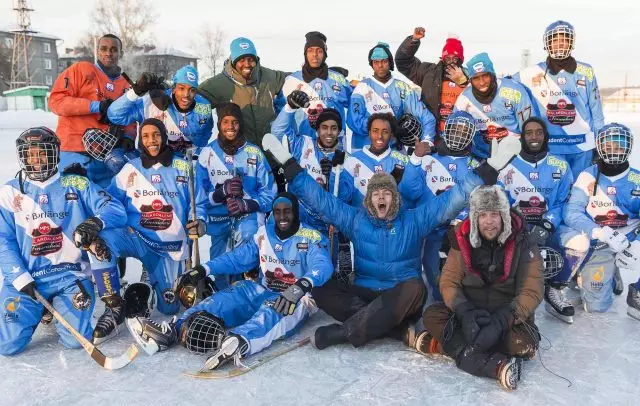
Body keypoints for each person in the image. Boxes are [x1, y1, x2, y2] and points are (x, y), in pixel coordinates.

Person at [260, 127, 522, 351]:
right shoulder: (355, 219)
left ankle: (344, 333)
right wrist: (292, 169)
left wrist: (487, 170)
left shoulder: (414, 219)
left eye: (387, 193)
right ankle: (396, 331)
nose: (382, 198)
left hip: (401, 298)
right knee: (323, 288)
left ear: (395, 198)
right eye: (376, 194)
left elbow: (452, 200)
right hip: (366, 295)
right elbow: (321, 201)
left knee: (415, 288)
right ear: (369, 199)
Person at [126, 193, 333, 370]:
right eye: (277, 212)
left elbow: (323, 266)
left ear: (295, 212)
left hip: (295, 298)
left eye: (287, 211)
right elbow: (237, 258)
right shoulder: (264, 235)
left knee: (270, 314)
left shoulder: (311, 237)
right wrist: (203, 269)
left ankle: (240, 342)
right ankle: (170, 331)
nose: (282, 217)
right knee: (219, 301)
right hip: (261, 288)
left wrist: (299, 287)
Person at [0, 127, 126, 355]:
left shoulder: (76, 183)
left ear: (55, 153)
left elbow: (115, 208)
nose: (36, 160)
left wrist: (95, 223)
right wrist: (18, 276)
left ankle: (53, 306)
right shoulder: (9, 192)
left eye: (42, 153)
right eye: (30, 154)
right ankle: (39, 309)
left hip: (69, 276)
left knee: (76, 341)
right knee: (7, 346)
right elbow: (2, 240)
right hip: (28, 279)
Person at [87, 119, 208, 342]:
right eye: (145, 136)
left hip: (168, 247)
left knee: (169, 307)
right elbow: (111, 203)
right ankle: (113, 305)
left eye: (156, 135)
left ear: (163, 136)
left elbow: (198, 204)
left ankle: (143, 288)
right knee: (99, 241)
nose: (151, 140)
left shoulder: (184, 167)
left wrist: (200, 222)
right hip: (135, 237)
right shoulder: (130, 169)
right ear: (139, 140)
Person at [415, 185, 543, 390]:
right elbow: (449, 281)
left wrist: (502, 321)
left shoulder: (524, 240)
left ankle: (448, 347)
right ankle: (492, 363)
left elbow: (532, 289)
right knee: (432, 315)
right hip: (471, 312)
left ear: (504, 216)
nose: (489, 221)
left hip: (507, 315)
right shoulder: (461, 238)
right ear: (475, 218)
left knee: (524, 343)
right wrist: (464, 312)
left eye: (495, 214)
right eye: (483, 215)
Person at [496, 117, 573, 322]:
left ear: (545, 135)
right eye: (529, 133)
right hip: (517, 224)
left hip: (549, 224)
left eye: (538, 132)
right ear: (522, 136)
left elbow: (565, 201)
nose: (534, 136)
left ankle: (555, 288)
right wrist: (516, 223)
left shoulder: (561, 166)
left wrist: (548, 223)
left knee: (576, 242)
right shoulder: (508, 165)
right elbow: (500, 200)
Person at [558, 123, 640, 316]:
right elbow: (572, 212)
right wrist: (598, 231)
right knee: (596, 307)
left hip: (628, 238)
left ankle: (638, 290)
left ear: (628, 147)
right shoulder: (587, 175)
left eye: (618, 146)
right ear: (600, 147)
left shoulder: (637, 179)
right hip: (600, 242)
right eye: (608, 146)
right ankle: (604, 272)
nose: (613, 151)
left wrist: (637, 242)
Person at [196, 103, 276, 287]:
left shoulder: (254, 153)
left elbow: (270, 195)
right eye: (225, 122)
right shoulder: (207, 153)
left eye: (235, 122)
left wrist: (247, 205)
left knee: (246, 247)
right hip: (218, 220)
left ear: (241, 124)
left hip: (248, 219)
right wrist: (219, 194)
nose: (230, 127)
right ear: (219, 124)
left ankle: (251, 282)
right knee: (220, 269)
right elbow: (198, 199)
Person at [513, 21, 604, 178]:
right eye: (555, 40)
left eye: (564, 39)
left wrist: (600, 144)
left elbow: (596, 110)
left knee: (579, 192)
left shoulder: (586, 70)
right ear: (547, 43)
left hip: (582, 147)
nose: (560, 44)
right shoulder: (532, 72)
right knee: (554, 194)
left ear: (571, 42)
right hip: (550, 147)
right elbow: (501, 85)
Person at [406, 111, 477, 300]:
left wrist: (461, 223)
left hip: (458, 232)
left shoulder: (475, 166)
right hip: (427, 228)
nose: (458, 135)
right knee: (425, 269)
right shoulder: (428, 159)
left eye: (464, 131)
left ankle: (448, 304)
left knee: (452, 275)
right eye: (455, 129)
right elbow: (408, 190)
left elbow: (482, 201)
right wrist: (415, 160)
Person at [48, 34, 135, 188]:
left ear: (120, 53)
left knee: (106, 204)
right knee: (74, 203)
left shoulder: (126, 84)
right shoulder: (81, 69)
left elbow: (130, 117)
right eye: (104, 49)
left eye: (114, 49)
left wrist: (128, 135)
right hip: (74, 151)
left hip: (107, 158)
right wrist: (96, 106)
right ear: (97, 51)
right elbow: (56, 102)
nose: (109, 53)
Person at [197, 37, 289, 148]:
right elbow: (191, 99)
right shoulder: (218, 84)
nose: (247, 64)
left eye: (250, 60)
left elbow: (296, 80)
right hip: (239, 154)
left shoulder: (269, 77)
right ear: (234, 61)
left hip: (271, 152)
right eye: (241, 60)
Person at [347, 41, 435, 150]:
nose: (380, 65)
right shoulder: (362, 88)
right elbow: (354, 121)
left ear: (390, 62)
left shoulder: (402, 87)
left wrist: (427, 141)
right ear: (371, 64)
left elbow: (426, 116)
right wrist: (389, 127)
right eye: (376, 62)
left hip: (393, 151)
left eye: (384, 61)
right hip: (364, 151)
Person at [108, 65, 214, 155]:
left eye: (192, 90)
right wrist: (135, 93)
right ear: (173, 88)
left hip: (185, 167)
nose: (186, 95)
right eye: (181, 88)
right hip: (154, 165)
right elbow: (114, 115)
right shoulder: (151, 102)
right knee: (116, 159)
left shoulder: (204, 107)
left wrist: (197, 155)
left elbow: (206, 132)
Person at [454, 53, 534, 159]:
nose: (481, 82)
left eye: (485, 76)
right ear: (471, 80)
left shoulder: (514, 90)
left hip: (514, 153)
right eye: (476, 78)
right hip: (481, 155)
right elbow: (455, 128)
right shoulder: (465, 97)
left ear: (492, 74)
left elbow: (530, 125)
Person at [278, 32, 352, 145]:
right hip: (302, 146)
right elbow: (281, 112)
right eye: (310, 50)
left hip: (335, 146)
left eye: (319, 51)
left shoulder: (339, 79)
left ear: (325, 54)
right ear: (305, 53)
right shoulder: (292, 80)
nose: (315, 55)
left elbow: (355, 102)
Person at [395, 27, 469, 137]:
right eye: (448, 58)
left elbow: (481, 97)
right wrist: (414, 40)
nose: (451, 62)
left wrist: (464, 83)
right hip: (431, 133)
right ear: (443, 58)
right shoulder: (428, 72)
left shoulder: (469, 75)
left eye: (455, 58)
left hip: (459, 135)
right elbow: (403, 62)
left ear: (461, 59)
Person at [341, 113, 415, 209]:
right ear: (369, 132)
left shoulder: (403, 161)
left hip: (392, 222)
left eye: (385, 132)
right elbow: (343, 197)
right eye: (375, 131)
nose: (380, 136)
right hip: (361, 221)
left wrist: (416, 161)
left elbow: (412, 196)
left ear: (391, 134)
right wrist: (334, 173)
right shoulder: (352, 160)